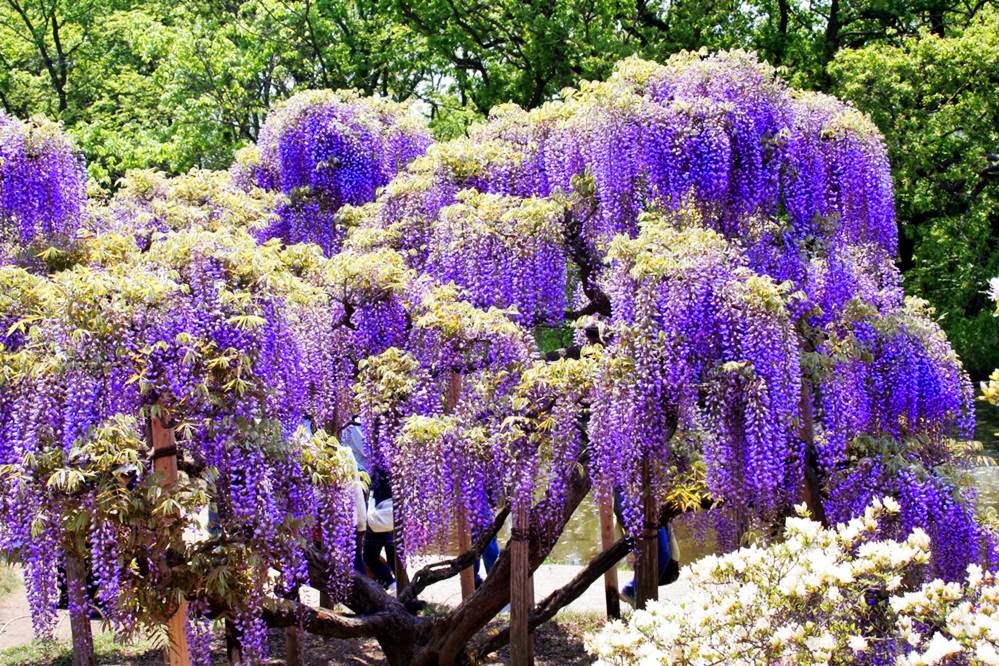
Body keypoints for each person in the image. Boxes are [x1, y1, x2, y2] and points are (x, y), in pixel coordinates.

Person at [614, 488, 680, 606]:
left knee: (664, 553)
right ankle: (635, 593)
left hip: (652, 504)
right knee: (645, 554)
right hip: (631, 505)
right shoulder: (619, 475)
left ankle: (632, 589)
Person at [363, 470, 396, 589]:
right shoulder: (395, 468)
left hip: (376, 518)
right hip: (392, 517)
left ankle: (392, 584)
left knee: (369, 556)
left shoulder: (376, 469)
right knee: (394, 557)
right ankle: (403, 588)